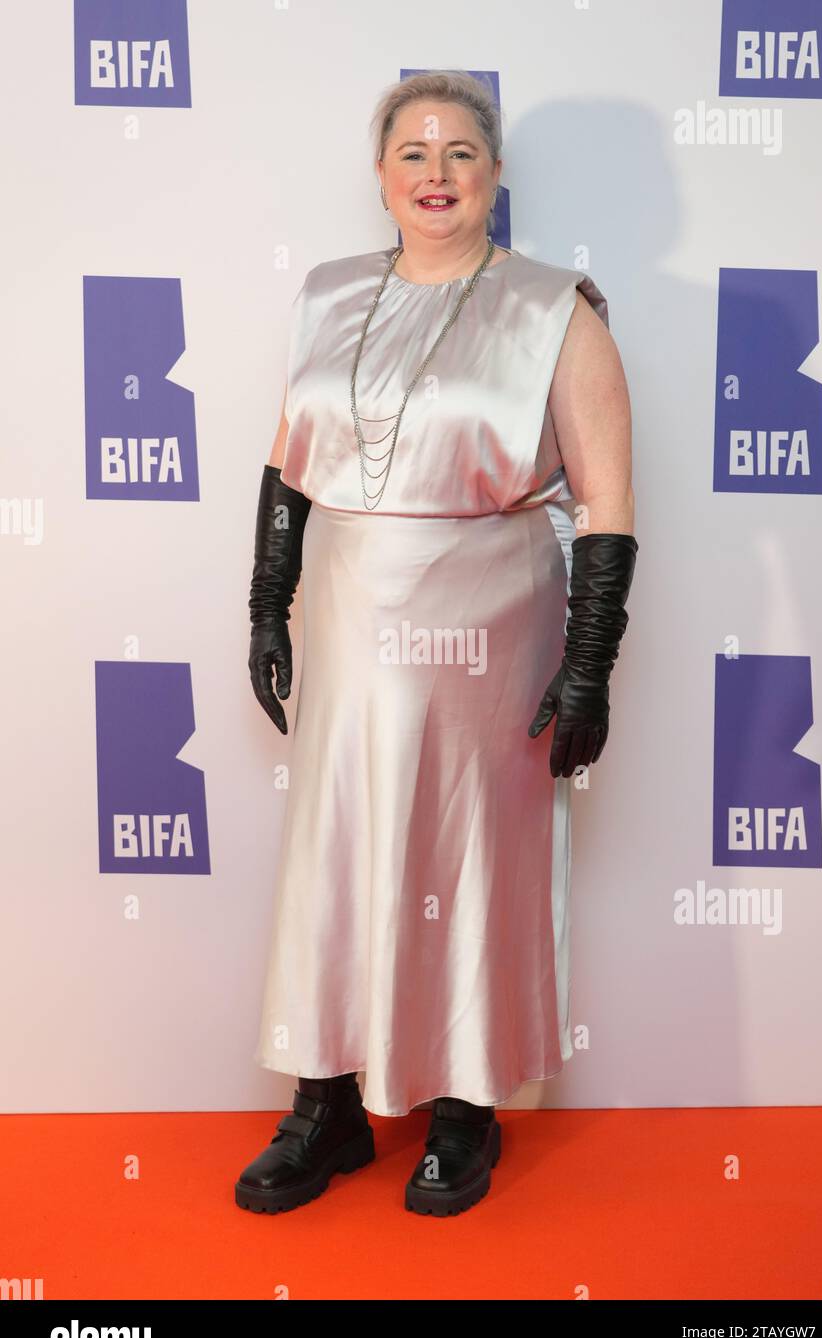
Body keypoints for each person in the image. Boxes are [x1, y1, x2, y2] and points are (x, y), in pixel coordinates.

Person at [235, 70, 638, 1219]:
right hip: (350, 622)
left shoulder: (555, 307)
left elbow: (605, 502)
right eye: (412, 153)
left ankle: (464, 1111)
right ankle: (327, 1104)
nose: (435, 174)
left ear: (495, 174)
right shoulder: (326, 297)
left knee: (469, 860)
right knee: (334, 854)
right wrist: (268, 594)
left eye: (459, 152)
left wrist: (591, 658)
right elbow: (288, 458)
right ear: (379, 176)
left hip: (487, 633)